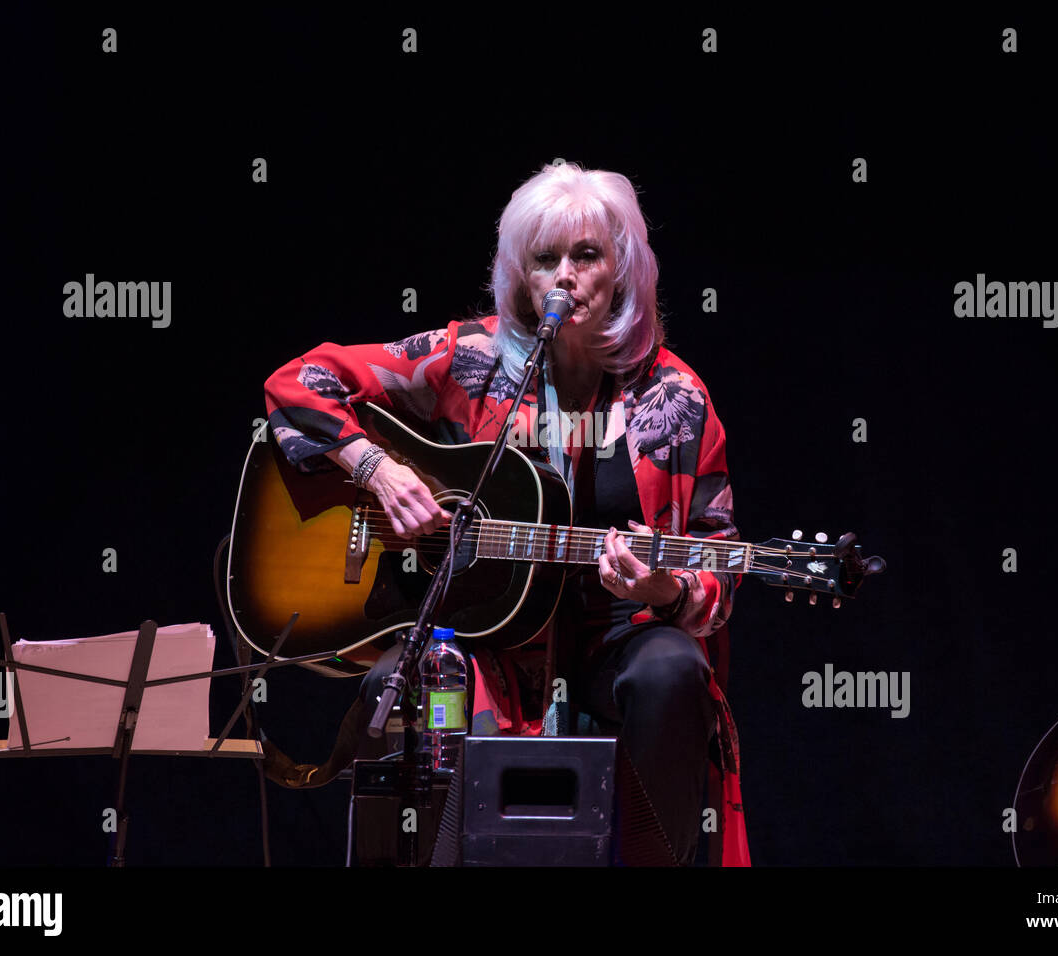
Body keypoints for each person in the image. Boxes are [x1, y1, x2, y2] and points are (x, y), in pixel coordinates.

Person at [263, 162, 749, 866]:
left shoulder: (675, 397)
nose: (564, 277)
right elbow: (297, 381)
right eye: (543, 260)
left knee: (672, 672)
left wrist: (666, 590)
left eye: (586, 256)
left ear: (624, 269)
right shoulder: (473, 358)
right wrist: (378, 468)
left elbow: (719, 555)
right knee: (425, 687)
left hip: (617, 641)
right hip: (485, 642)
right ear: (520, 277)